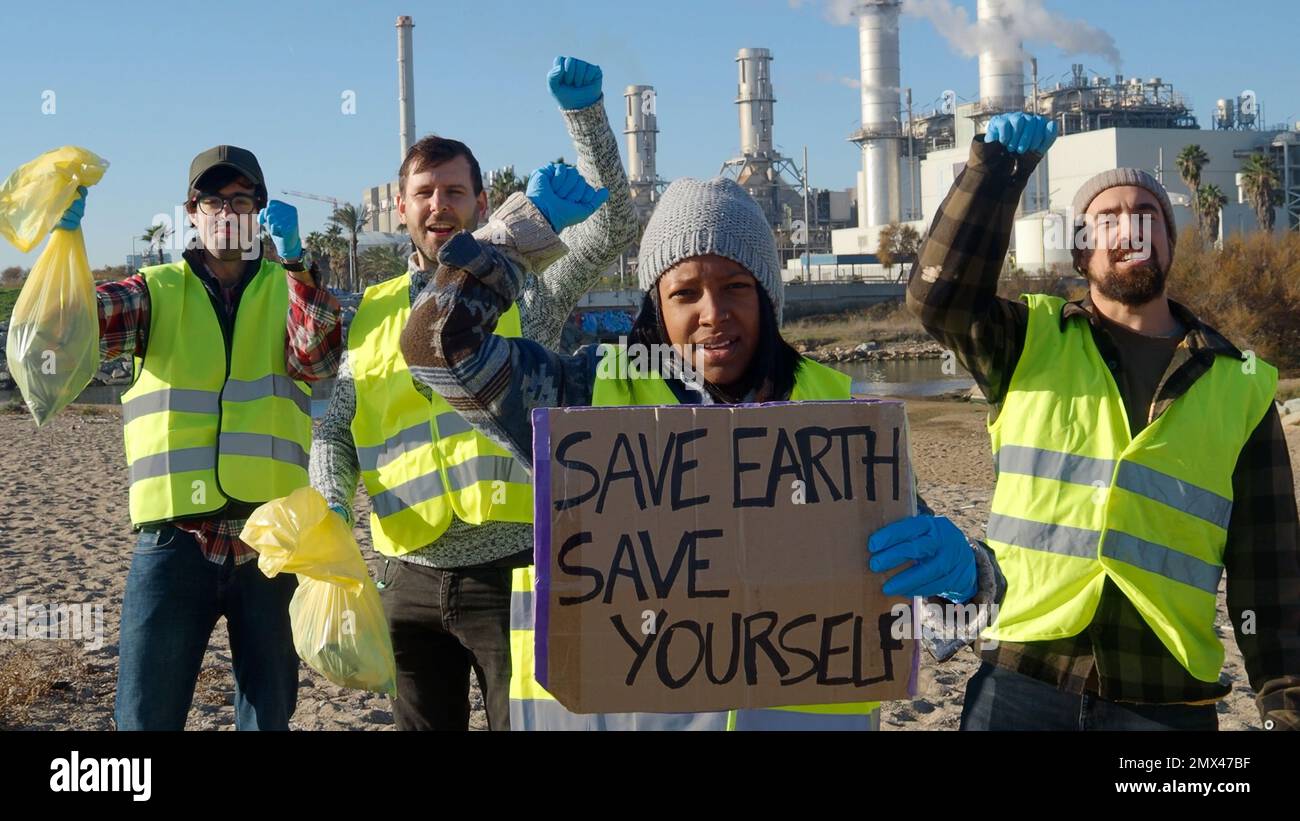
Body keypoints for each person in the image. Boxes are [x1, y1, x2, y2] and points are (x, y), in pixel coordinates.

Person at [399, 175, 999, 730]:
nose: (713, 314)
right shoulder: (584, 399)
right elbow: (435, 345)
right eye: (686, 292)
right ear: (655, 306)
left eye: (736, 286)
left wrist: (968, 582)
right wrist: (514, 238)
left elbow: (943, 622)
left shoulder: (838, 422)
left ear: (768, 297)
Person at [910, 112, 1300, 731]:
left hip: (1168, 699)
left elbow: (1270, 577)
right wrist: (992, 177)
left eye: (1146, 217)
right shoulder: (1027, 341)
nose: (1129, 231)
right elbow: (939, 297)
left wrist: (1284, 707)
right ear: (1081, 247)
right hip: (1021, 678)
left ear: (1170, 243)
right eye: (1107, 220)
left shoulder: (1243, 381)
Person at [309, 55, 636, 730]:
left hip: (518, 570)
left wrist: (589, 119)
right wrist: (331, 498)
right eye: (425, 192)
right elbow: (336, 427)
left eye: (455, 191)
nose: (440, 205)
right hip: (407, 576)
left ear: (483, 204)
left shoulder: (531, 291)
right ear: (401, 208)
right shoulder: (367, 313)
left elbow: (614, 222)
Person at [54, 145, 343, 730]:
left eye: (241, 200)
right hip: (171, 545)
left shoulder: (291, 289)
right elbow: (71, 328)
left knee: (268, 718)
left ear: (260, 211)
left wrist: (299, 264)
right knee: (144, 718)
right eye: (214, 200)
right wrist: (62, 249)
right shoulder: (153, 290)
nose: (227, 212)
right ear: (192, 211)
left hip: (270, 544)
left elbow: (319, 360)